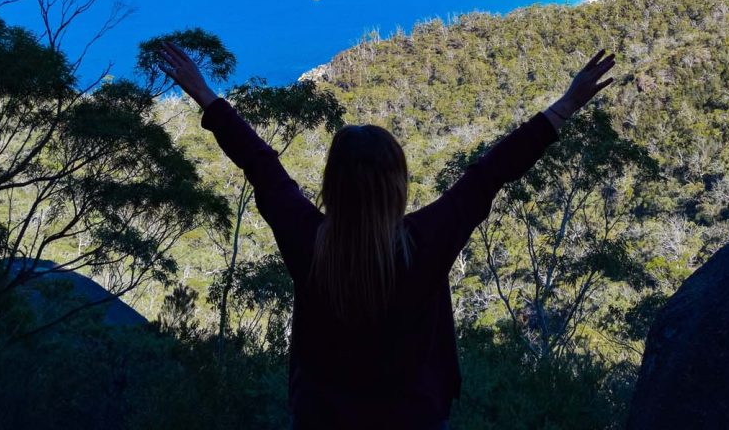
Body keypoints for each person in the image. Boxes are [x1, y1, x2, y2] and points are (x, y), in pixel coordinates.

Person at [157, 42, 617, 430]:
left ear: (331, 185)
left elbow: (261, 165)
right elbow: (491, 172)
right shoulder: (426, 241)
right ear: (398, 185)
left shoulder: (308, 240)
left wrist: (205, 95)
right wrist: (566, 104)